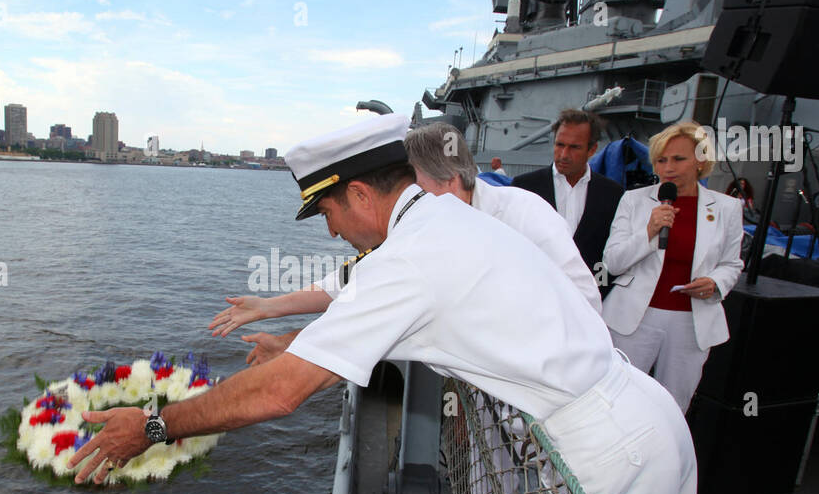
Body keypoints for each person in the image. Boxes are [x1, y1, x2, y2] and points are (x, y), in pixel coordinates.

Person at [76, 113, 699, 494]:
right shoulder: (445, 224)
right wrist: (295, 344)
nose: (330, 231)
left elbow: (280, 393)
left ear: (358, 195)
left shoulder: (409, 257)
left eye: (326, 212)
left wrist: (153, 426)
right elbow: (376, 325)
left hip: (602, 457)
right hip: (646, 419)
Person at [207, 122, 601, 351]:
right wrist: (267, 308)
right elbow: (350, 285)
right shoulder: (421, 230)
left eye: (412, 185)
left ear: (448, 179)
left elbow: (586, 308)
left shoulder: (523, 215)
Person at [600, 121, 745, 414]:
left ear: (701, 160)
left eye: (678, 159)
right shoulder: (634, 200)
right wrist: (649, 231)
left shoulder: (728, 208)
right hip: (633, 320)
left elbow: (732, 263)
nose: (668, 167)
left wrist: (716, 283)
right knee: (616, 400)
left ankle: (663, 459)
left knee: (673, 406)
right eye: (661, 160)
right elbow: (613, 261)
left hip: (692, 323)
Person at [511, 108, 625, 294]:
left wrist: (598, 291)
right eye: (559, 144)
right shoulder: (524, 186)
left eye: (574, 147)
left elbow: (607, 254)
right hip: (532, 294)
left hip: (586, 300)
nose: (563, 154)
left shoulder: (612, 194)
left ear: (592, 149)